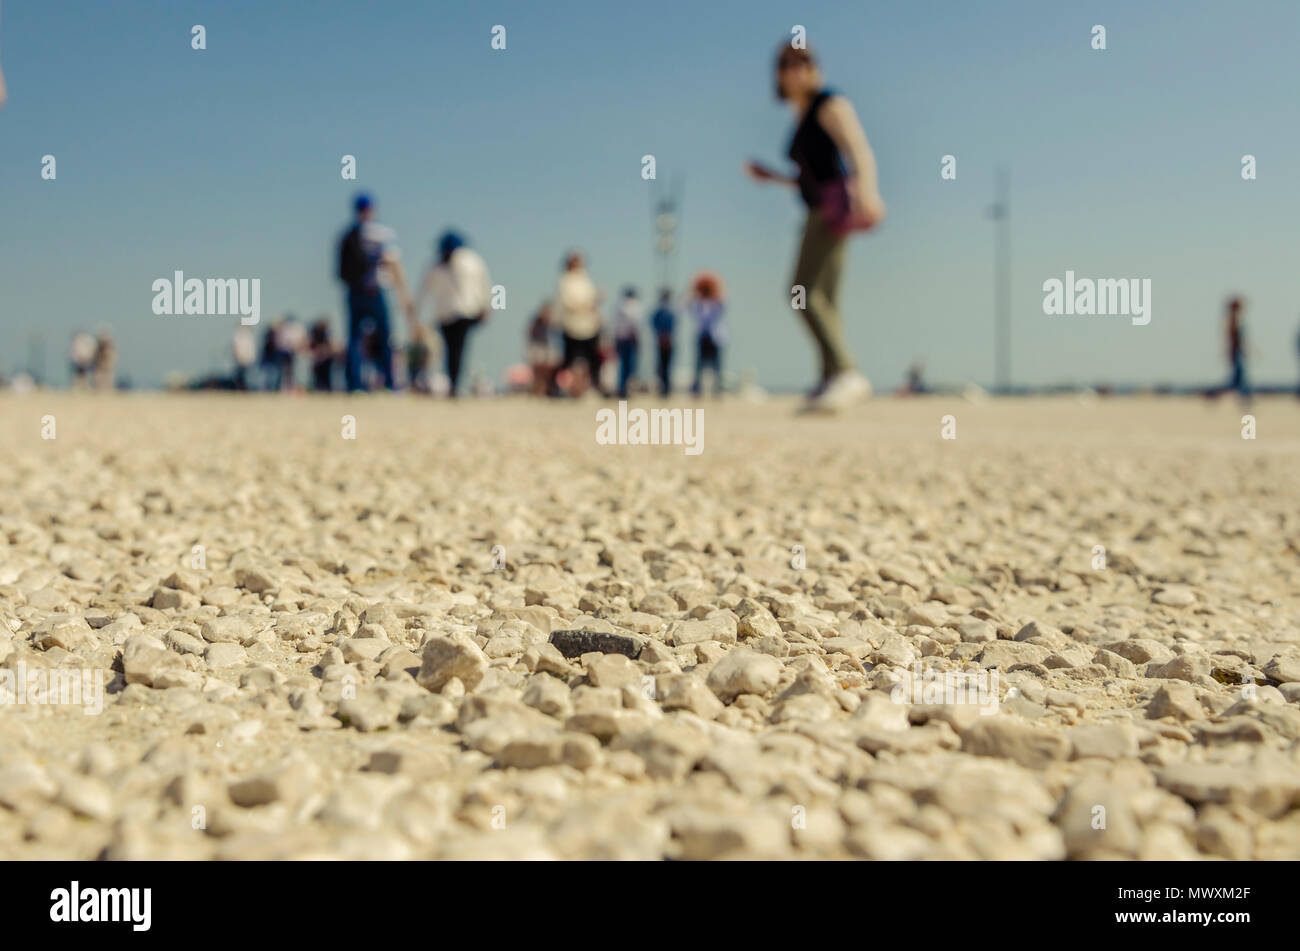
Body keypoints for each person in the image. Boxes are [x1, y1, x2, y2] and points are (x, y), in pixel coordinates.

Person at [745, 41, 886, 411]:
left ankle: (845, 372)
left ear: (814, 68)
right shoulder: (801, 114)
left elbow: (858, 150)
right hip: (817, 205)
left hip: (833, 208)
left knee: (801, 292)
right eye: (787, 64)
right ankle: (829, 380)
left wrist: (869, 194)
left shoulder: (829, 103)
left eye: (803, 62)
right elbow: (809, 177)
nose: (796, 70)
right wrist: (773, 178)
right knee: (824, 297)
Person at [337, 193, 412, 392]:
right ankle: (389, 382)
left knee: (354, 339)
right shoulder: (381, 233)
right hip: (377, 292)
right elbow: (394, 264)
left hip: (355, 292)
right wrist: (404, 295)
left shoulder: (348, 234)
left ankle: (354, 384)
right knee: (385, 338)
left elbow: (339, 270)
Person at [413, 231, 491, 398]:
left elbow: (423, 290)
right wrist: (486, 307)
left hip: (455, 313)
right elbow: (485, 284)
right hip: (458, 313)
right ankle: (454, 385)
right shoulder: (470, 260)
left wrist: (416, 311)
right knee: (456, 350)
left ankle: (454, 385)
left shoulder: (444, 263)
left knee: (454, 350)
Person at [554, 251, 604, 396]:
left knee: (593, 359)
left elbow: (592, 298)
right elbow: (568, 303)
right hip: (572, 326)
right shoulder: (564, 280)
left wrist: (595, 301)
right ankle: (559, 388)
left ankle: (594, 387)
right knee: (568, 359)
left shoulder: (585, 279)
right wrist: (586, 305)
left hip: (590, 326)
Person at [688, 272, 727, 396]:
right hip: (703, 337)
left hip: (715, 337)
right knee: (699, 365)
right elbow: (688, 306)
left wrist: (717, 287)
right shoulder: (698, 304)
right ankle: (697, 390)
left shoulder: (717, 303)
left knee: (717, 366)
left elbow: (723, 302)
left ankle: (717, 390)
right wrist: (694, 291)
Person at [613, 287, 642, 398]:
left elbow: (615, 324)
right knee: (629, 365)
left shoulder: (618, 305)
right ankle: (624, 388)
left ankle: (622, 387)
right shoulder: (633, 305)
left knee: (622, 364)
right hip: (629, 338)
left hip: (620, 338)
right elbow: (634, 323)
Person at [526, 302, 559, 396]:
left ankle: (545, 390)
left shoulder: (553, 323)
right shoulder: (536, 323)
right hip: (538, 350)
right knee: (539, 374)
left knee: (546, 373)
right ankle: (538, 391)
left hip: (546, 350)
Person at [1223, 296, 1250, 400]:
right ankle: (1245, 398)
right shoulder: (1233, 320)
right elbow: (1234, 339)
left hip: (1237, 352)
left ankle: (1244, 398)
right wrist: (1237, 351)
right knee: (1238, 378)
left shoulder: (1235, 319)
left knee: (1238, 378)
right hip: (1236, 352)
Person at [650, 289, 676, 396]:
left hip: (668, 341)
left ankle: (666, 388)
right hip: (662, 341)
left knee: (667, 366)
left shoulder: (668, 311)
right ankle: (663, 387)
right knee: (662, 366)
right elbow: (654, 324)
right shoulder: (661, 311)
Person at [309, 318, 336, 391]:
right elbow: (312, 345)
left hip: (326, 358)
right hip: (317, 358)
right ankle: (318, 389)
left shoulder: (327, 334)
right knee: (318, 377)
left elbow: (330, 346)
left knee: (326, 376)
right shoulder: (315, 333)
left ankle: (326, 389)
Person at [231, 325, 255, 390]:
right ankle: (240, 388)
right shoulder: (238, 337)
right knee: (241, 376)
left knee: (247, 377)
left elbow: (250, 350)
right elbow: (236, 349)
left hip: (247, 360)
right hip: (241, 360)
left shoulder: (248, 336)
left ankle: (245, 388)